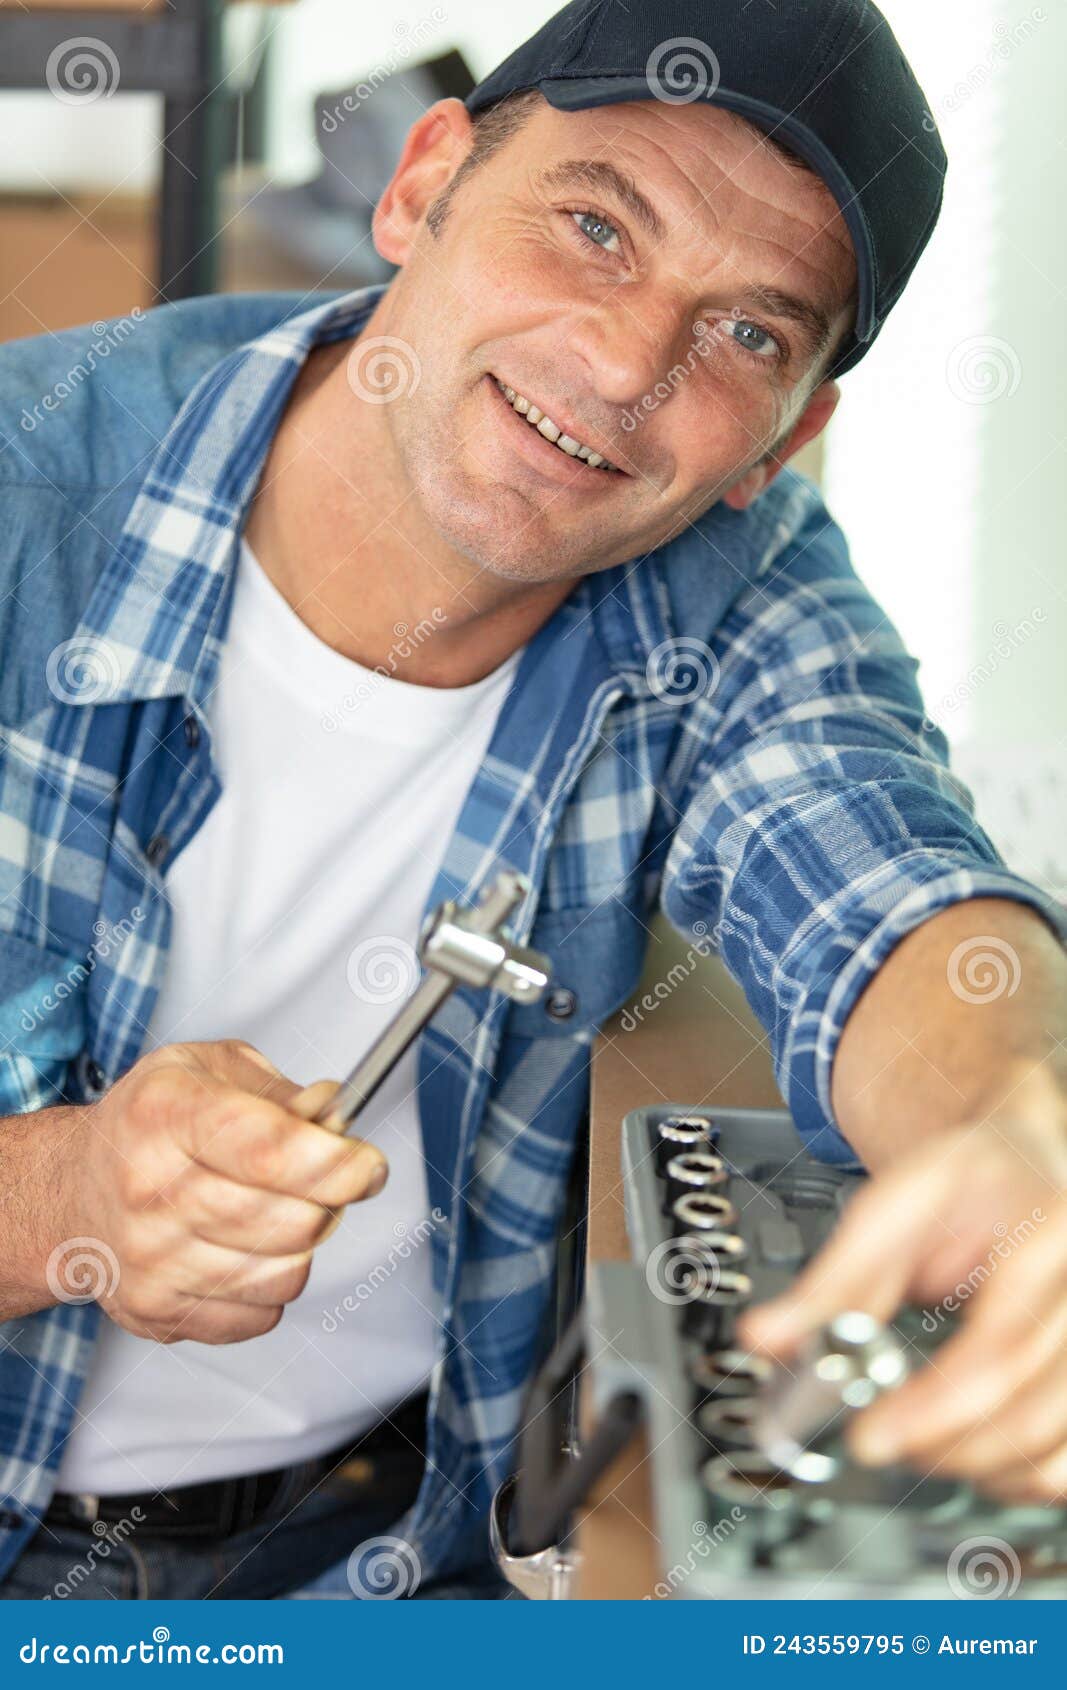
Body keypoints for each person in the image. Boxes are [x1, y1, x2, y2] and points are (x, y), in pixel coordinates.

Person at [0, 0, 1063, 1601]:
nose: (630, 363)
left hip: (384, 1548)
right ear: (425, 182)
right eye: (594, 226)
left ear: (791, 434)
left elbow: (878, 867)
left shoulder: (732, 584)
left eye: (750, 334)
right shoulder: (28, 498)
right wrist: (59, 1196)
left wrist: (1019, 1134)